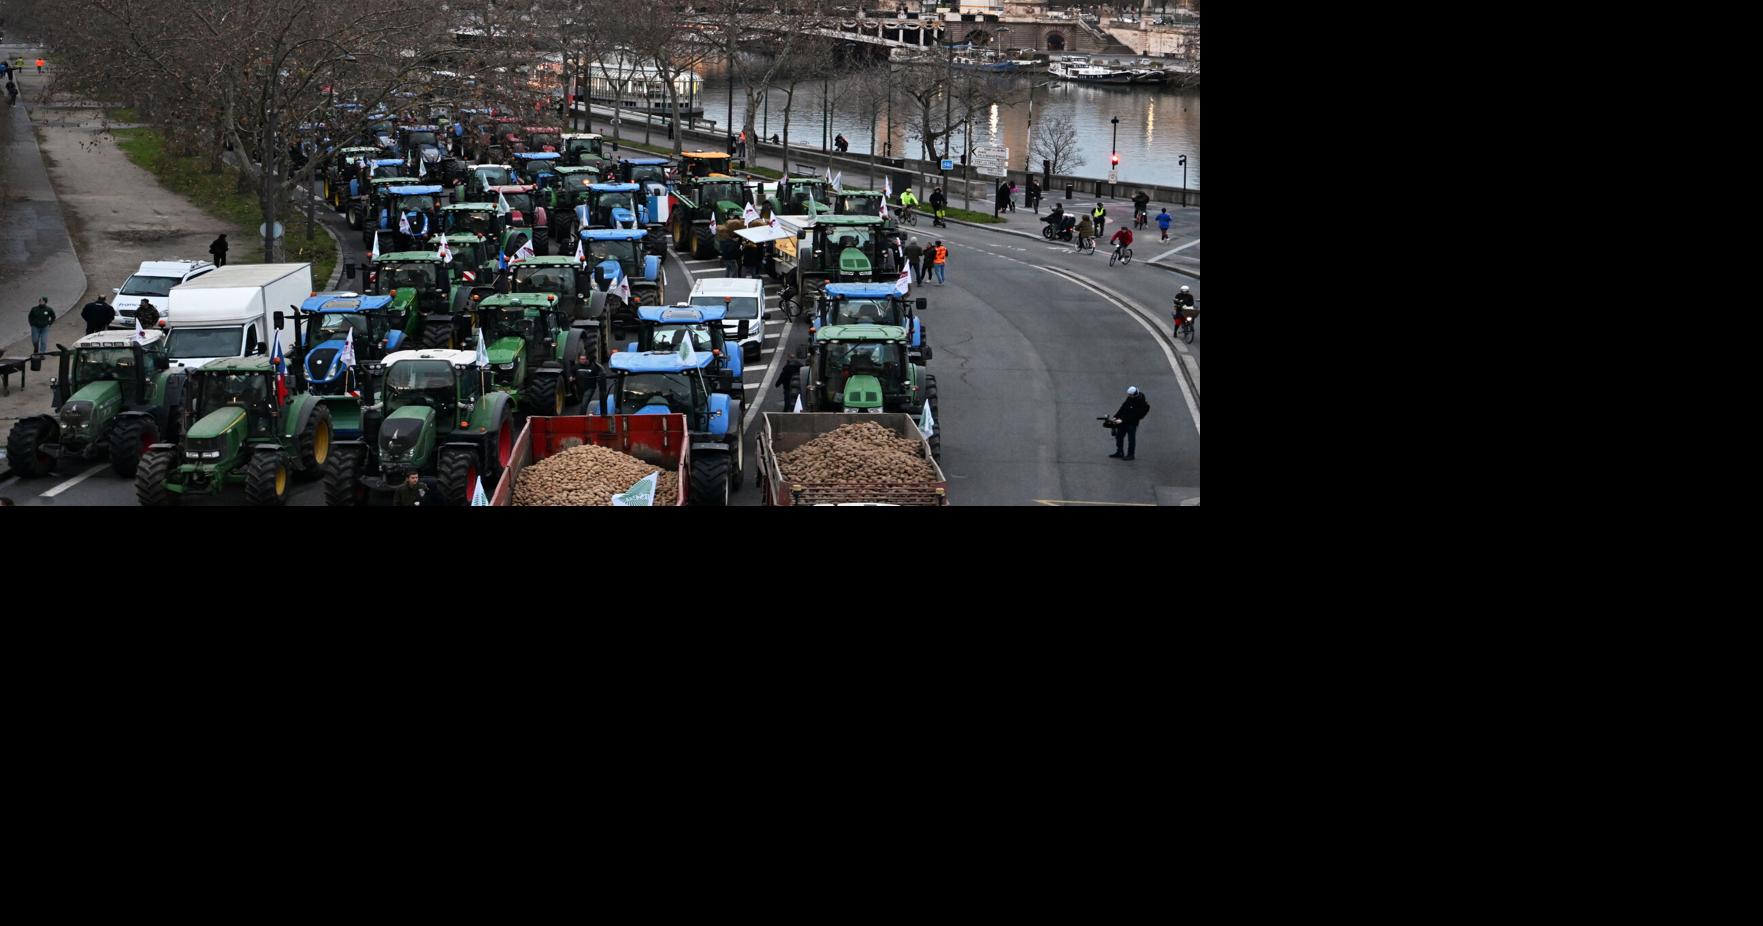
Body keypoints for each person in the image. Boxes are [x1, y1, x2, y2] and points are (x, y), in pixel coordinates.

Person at [1107, 386, 1150, 460]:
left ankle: (1131, 454)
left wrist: (1122, 420)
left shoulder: (1141, 403)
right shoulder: (1130, 398)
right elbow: (1123, 408)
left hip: (1132, 423)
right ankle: (1120, 452)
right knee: (1119, 436)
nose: (1129, 396)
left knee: (1131, 439)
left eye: (1130, 395)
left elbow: (1135, 415)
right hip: (1123, 421)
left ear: (1134, 394)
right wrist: (1116, 416)